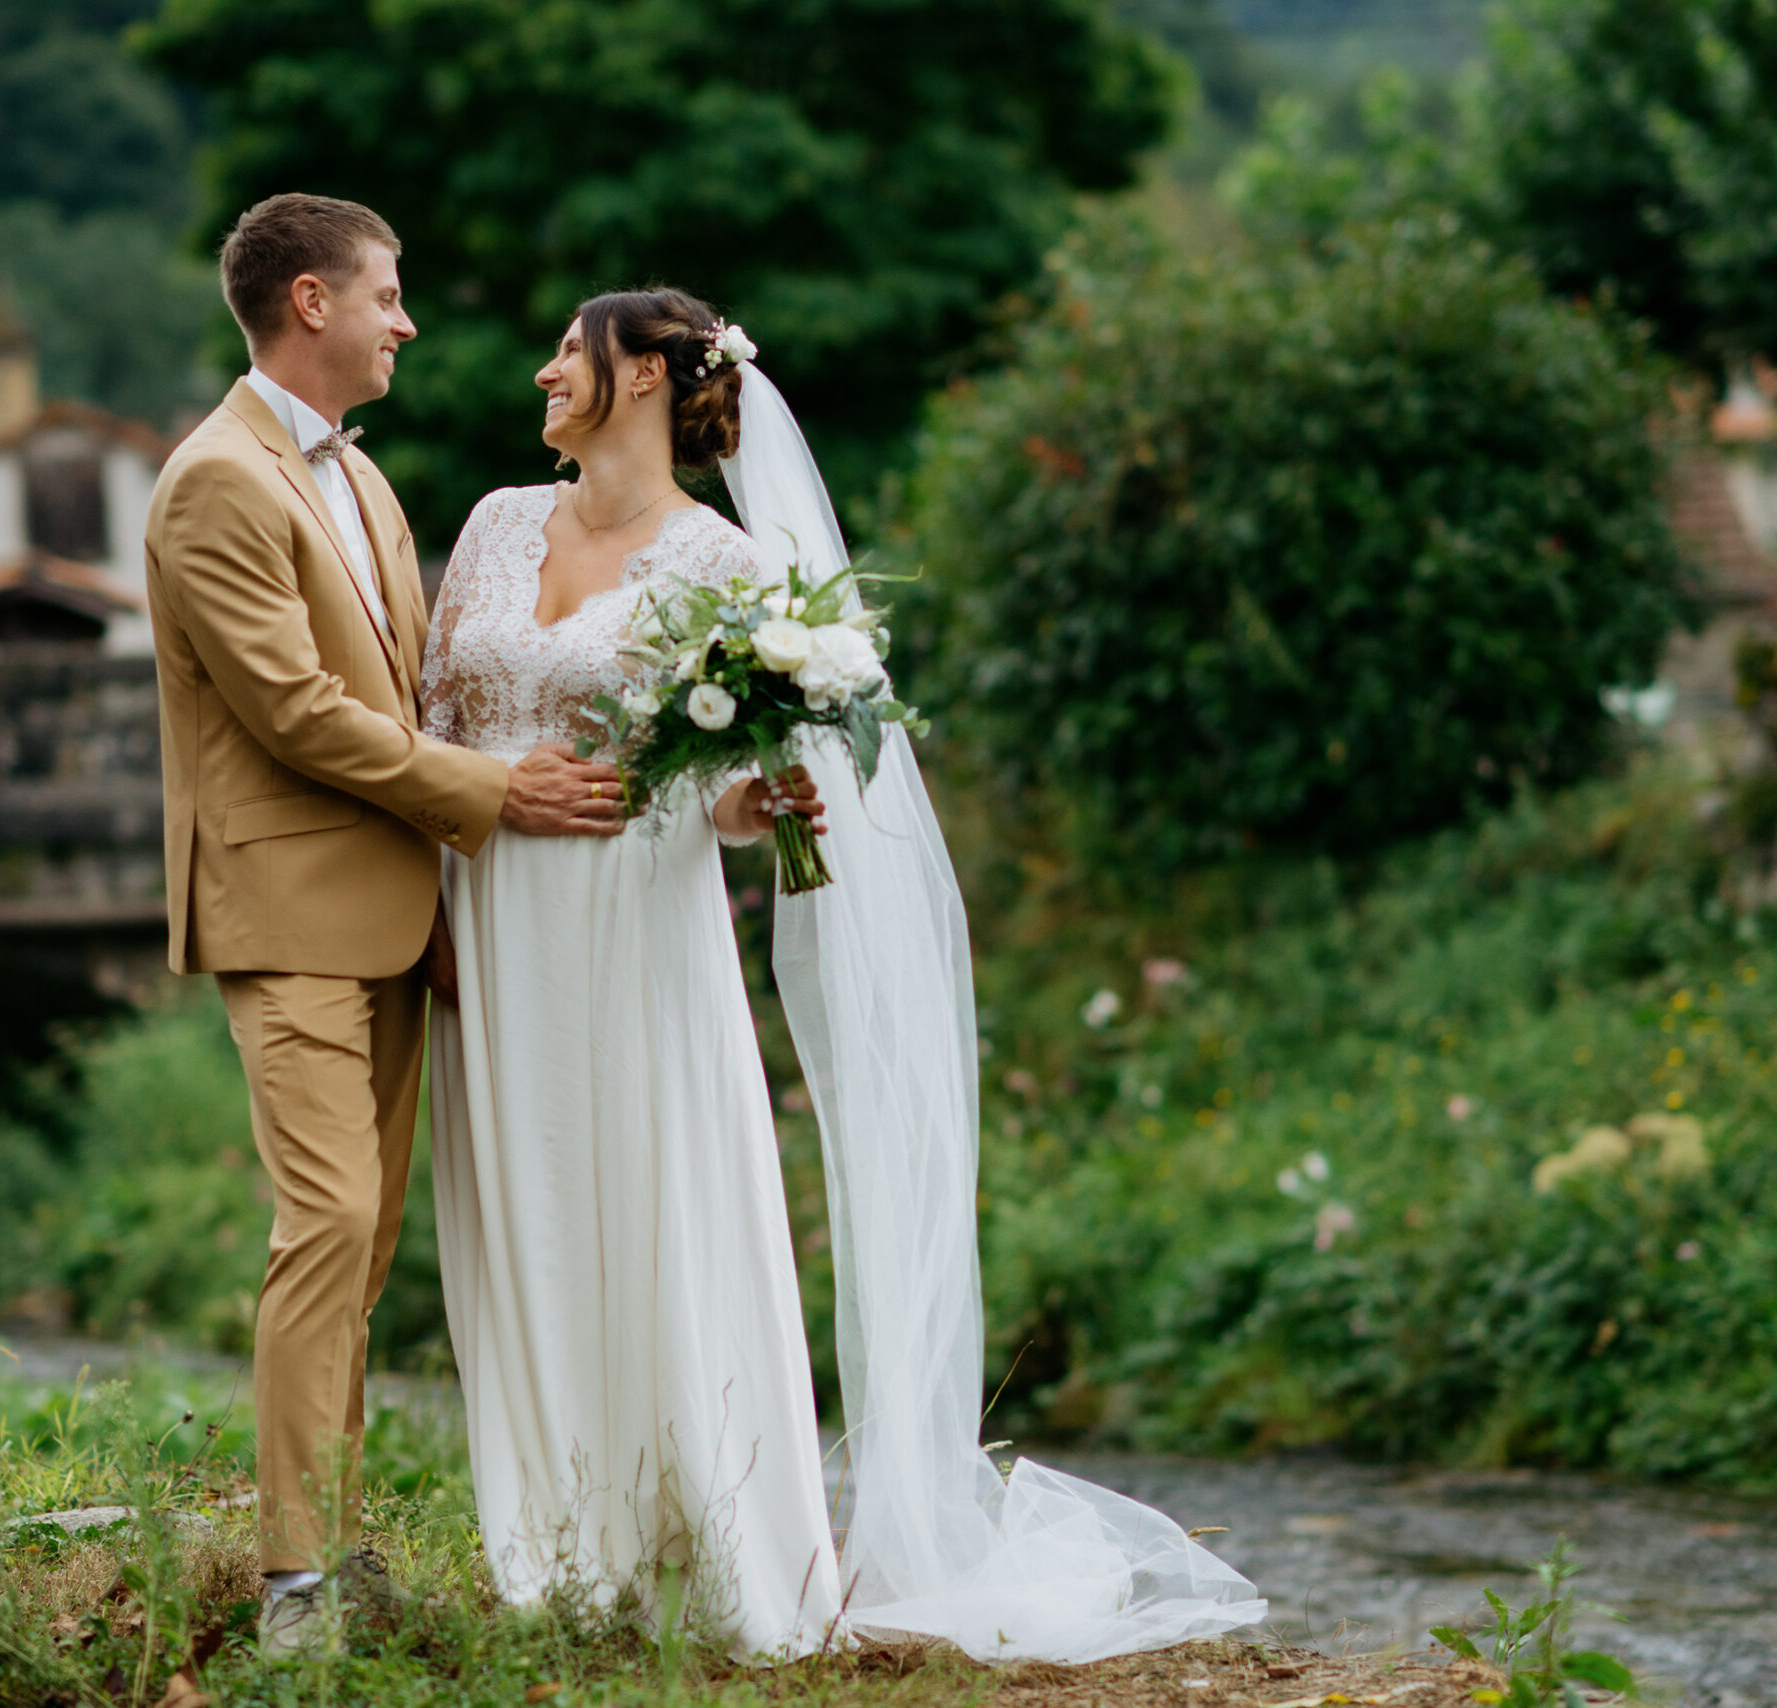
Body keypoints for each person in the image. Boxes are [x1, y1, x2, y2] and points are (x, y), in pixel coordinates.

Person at [420, 288, 1269, 1662]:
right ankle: (552, 1550)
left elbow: (731, 788)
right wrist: (436, 905)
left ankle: (706, 1544)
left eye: (567, 353)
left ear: (640, 378)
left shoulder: (729, 564)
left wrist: (762, 811)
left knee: (658, 1202)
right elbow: (433, 720)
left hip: (635, 927)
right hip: (493, 918)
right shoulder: (496, 524)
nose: (542, 370)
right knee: (518, 1214)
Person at [140, 192, 621, 1654]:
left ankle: (338, 1549)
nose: (406, 321)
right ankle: (293, 1583)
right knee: (329, 1220)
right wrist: (493, 795)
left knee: (370, 1235)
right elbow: (293, 716)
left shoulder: (363, 479)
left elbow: (405, 690)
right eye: (387, 295)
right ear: (309, 303)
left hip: (401, 911)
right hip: (282, 906)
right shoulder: (214, 481)